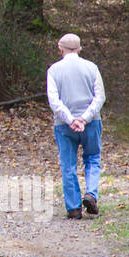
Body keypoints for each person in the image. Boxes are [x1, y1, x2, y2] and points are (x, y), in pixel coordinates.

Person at [46, 33, 105, 220]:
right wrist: (85, 118)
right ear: (79, 49)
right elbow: (100, 97)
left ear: (60, 49)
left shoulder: (54, 70)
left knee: (68, 164)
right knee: (93, 158)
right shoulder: (91, 67)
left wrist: (71, 119)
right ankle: (91, 194)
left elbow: (54, 101)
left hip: (64, 125)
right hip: (91, 123)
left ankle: (73, 208)